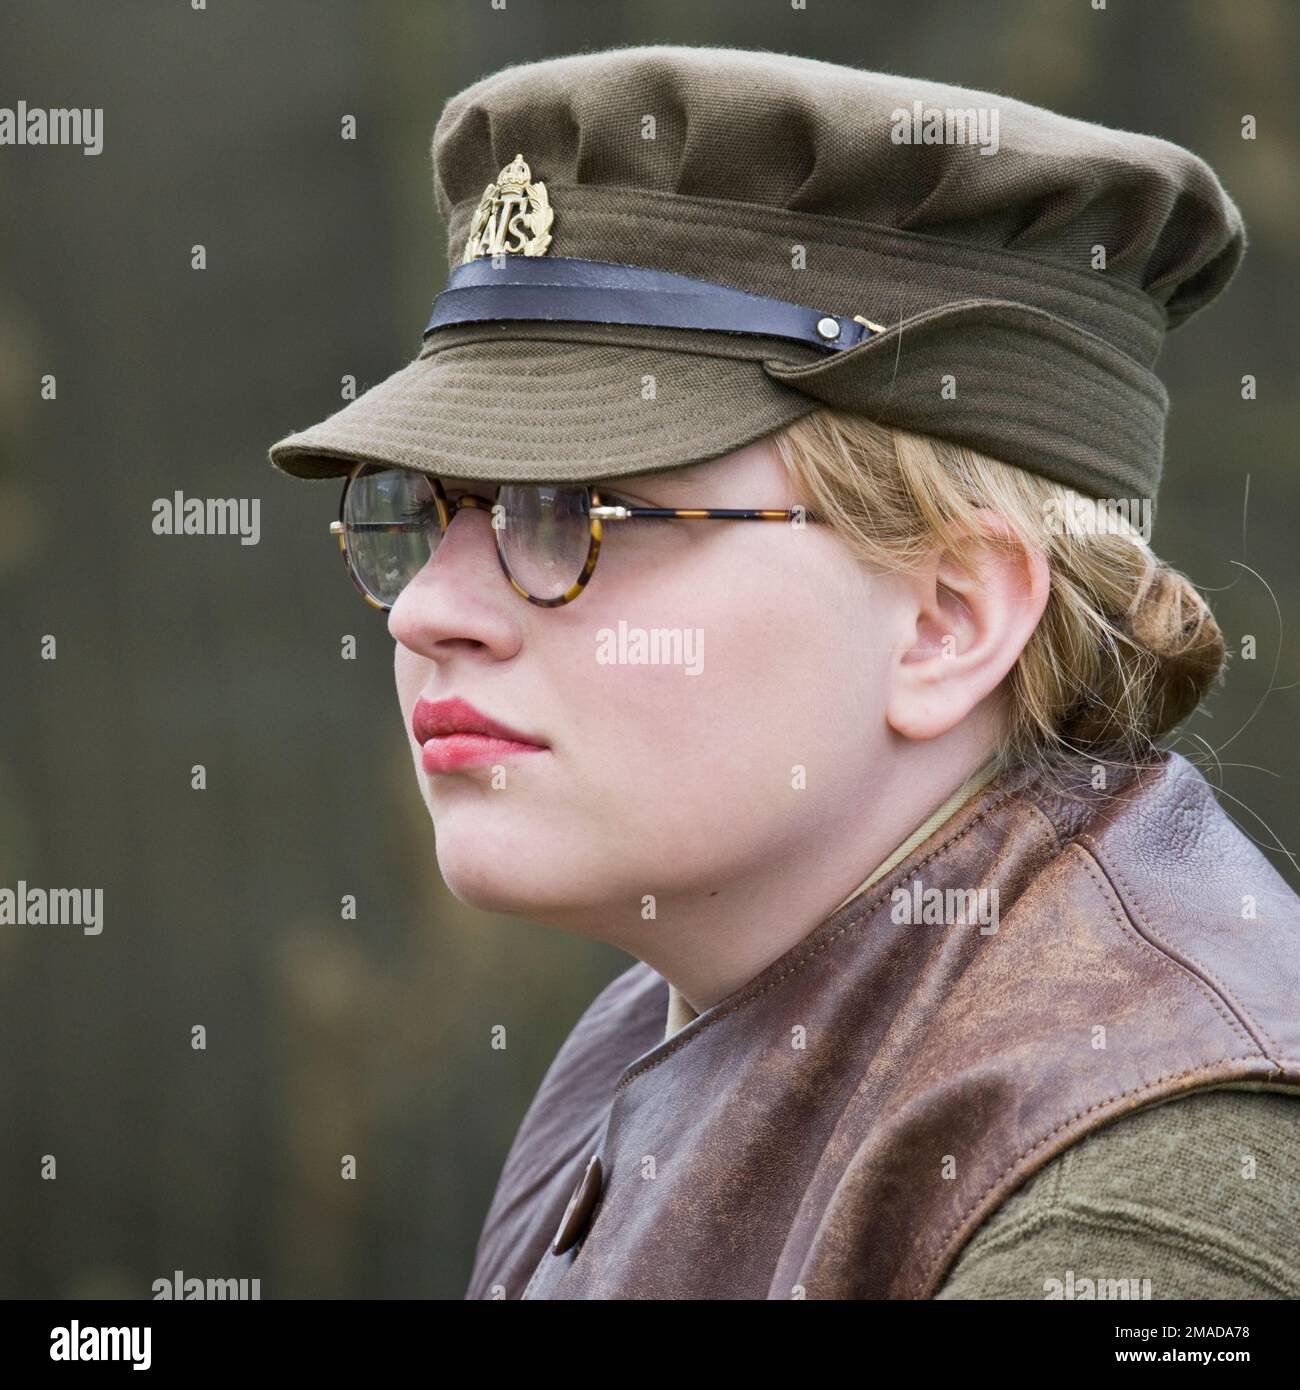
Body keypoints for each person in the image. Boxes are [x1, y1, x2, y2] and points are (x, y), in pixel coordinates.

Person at [267, 46, 1300, 1299]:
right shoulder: (669, 1015)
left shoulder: (1143, 1185)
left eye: (577, 512)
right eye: (429, 513)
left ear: (946, 620)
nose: (429, 608)